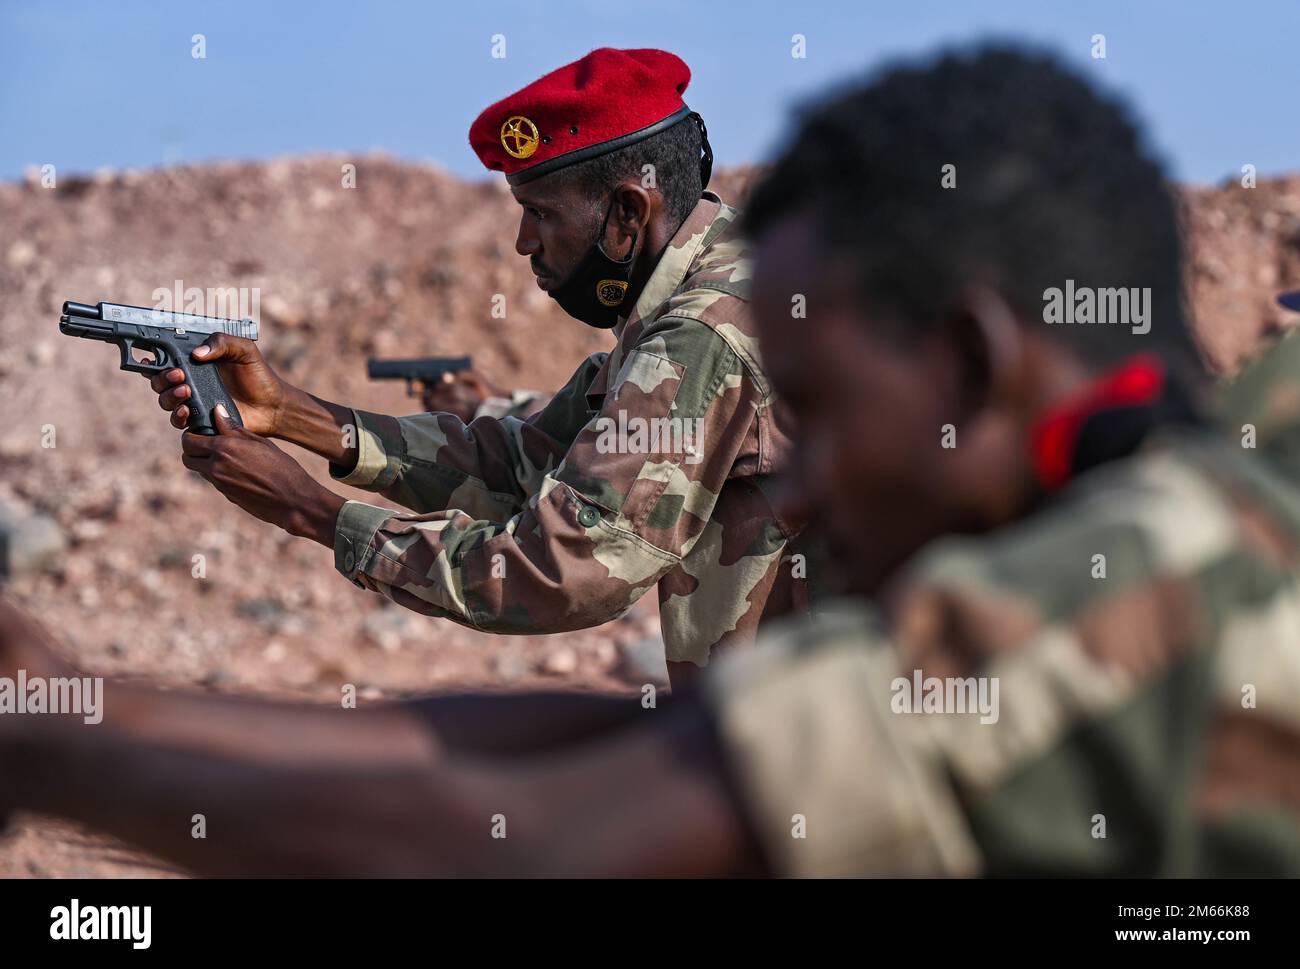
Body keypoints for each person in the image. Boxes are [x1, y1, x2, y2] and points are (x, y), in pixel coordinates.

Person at [6, 45, 1300, 876]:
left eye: (825, 418)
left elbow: (569, 583)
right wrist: (302, 420)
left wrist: (81, 723)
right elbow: (532, 459)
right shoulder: (714, 313)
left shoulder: (1080, 632)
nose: (794, 489)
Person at [145, 48, 808, 684]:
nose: (523, 242)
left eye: (540, 213)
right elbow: (527, 466)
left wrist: (307, 508)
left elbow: (564, 570)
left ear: (628, 213)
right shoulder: (724, 287)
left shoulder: (703, 332)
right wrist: (295, 415)